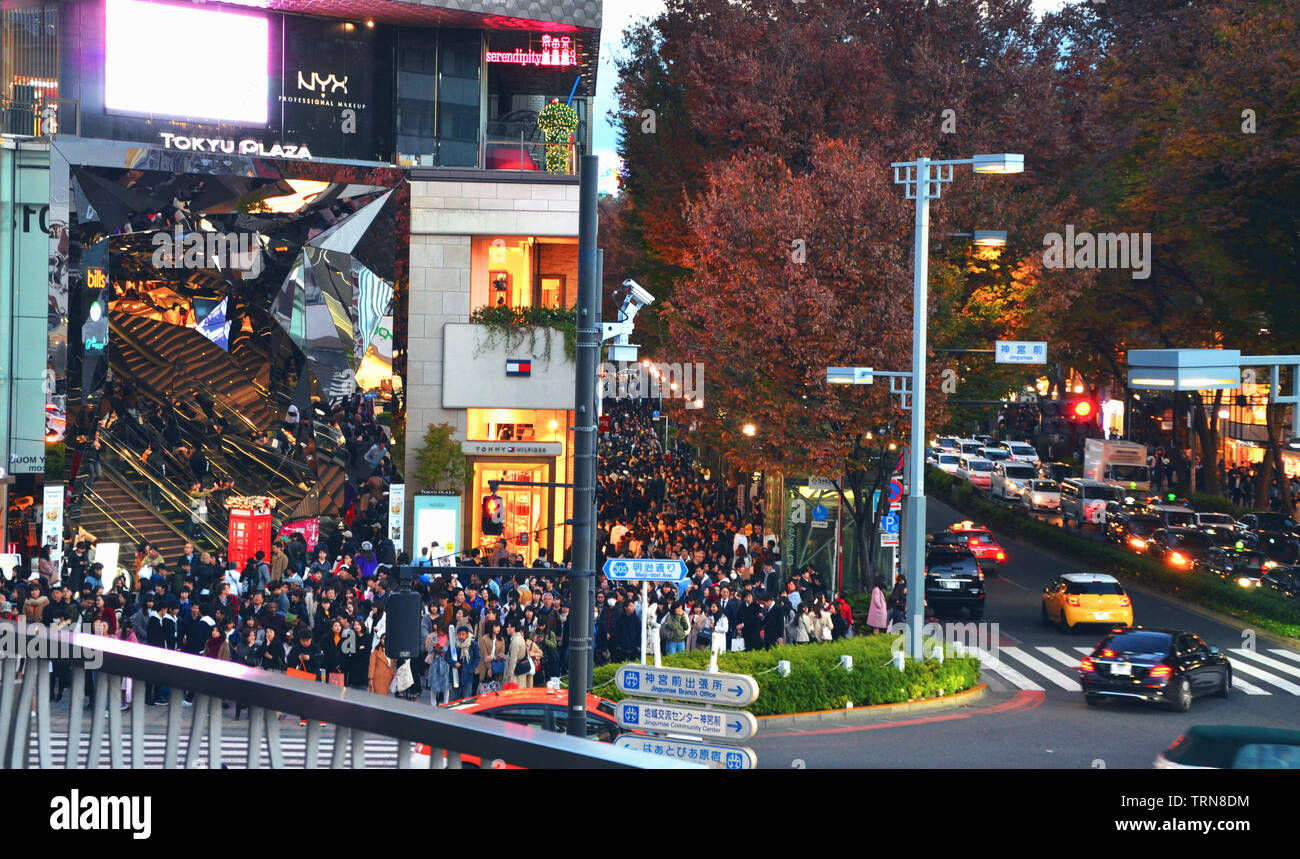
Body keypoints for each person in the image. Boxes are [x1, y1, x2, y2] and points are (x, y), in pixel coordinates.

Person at [446, 624, 478, 699]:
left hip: (467, 675)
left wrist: (472, 669)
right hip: (455, 675)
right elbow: (447, 656)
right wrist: (454, 663)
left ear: (467, 635)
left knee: (466, 698)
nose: (461, 636)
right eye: (459, 634)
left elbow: (477, 657)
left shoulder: (472, 644)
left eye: (463, 634)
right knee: (454, 698)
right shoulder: (454, 644)